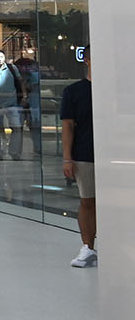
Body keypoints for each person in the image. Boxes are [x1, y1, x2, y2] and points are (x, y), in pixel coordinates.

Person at [62, 54, 96, 267]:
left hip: (116, 154)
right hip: (85, 154)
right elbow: (68, 126)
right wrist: (67, 158)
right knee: (88, 200)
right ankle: (88, 246)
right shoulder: (74, 91)